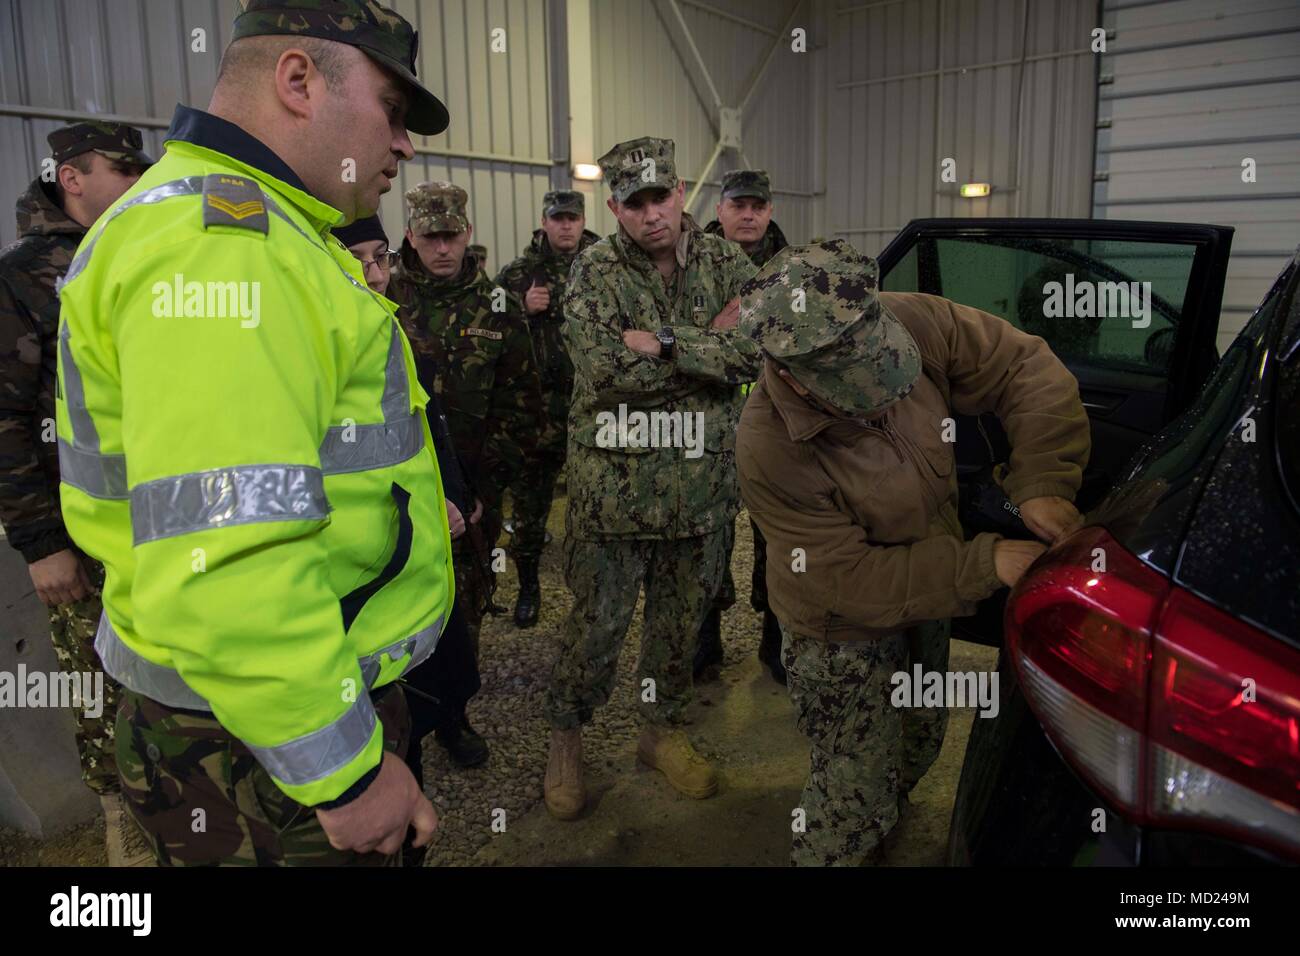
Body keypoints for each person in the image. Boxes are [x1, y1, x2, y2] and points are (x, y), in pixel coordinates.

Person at [55, 0, 454, 866]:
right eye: (393, 109)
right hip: (258, 736)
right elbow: (230, 556)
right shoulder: (226, 247)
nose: (405, 144)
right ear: (299, 81)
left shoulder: (232, 225)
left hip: (242, 712)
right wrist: (344, 772)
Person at [737, 239, 1090, 866]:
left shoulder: (914, 318)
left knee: (920, 737)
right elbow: (843, 579)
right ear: (791, 375)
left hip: (930, 590)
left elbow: (1024, 367)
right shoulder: (771, 445)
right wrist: (985, 563)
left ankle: (886, 818)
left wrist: (1041, 482)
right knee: (848, 793)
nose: (887, 394)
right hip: (841, 629)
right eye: (859, 389)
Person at [542, 136, 760, 820]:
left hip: (699, 494)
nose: (651, 215)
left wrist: (663, 342)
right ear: (614, 207)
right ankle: (566, 740)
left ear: (681, 190)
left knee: (678, 628)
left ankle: (659, 735)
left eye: (660, 197)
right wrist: (705, 349)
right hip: (615, 492)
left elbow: (753, 353)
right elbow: (606, 376)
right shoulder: (595, 272)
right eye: (633, 203)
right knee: (596, 626)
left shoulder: (728, 262)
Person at [0, 121, 153, 866]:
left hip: (156, 521)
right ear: (72, 178)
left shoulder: (142, 251)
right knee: (95, 678)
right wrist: (40, 542)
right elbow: (4, 416)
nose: (136, 181)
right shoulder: (25, 275)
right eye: (120, 170)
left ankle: (179, 803)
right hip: (76, 531)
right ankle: (117, 813)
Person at [333, 217, 486, 855]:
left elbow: (426, 426)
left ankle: (444, 721)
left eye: (380, 257)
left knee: (439, 652)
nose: (374, 273)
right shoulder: (321, 337)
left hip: (421, 537)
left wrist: (454, 495)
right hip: (365, 562)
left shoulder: (392, 325)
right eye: (357, 260)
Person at [387, 181, 544, 763]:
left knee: (464, 606)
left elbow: (522, 403)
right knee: (399, 600)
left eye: (452, 235)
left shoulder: (498, 308)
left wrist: (482, 491)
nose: (443, 248)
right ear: (411, 236)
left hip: (473, 495)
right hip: (398, 494)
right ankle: (400, 722)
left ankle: (453, 715)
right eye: (431, 237)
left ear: (468, 234)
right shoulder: (383, 298)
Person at [494, 189, 599, 628]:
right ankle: (529, 587)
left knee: (595, 510)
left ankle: (594, 594)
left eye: (573, 218)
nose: (566, 226)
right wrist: (521, 308)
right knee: (531, 512)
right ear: (544, 222)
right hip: (535, 414)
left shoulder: (605, 267)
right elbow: (487, 323)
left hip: (592, 412)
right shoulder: (518, 273)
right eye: (558, 219)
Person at [701, 168, 791, 683]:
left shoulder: (793, 268)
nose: (749, 214)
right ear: (721, 210)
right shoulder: (690, 264)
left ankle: (775, 640)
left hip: (776, 427)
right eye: (739, 205)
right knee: (707, 534)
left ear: (771, 210)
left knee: (777, 535)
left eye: (758, 205)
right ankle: (704, 639)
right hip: (708, 423)